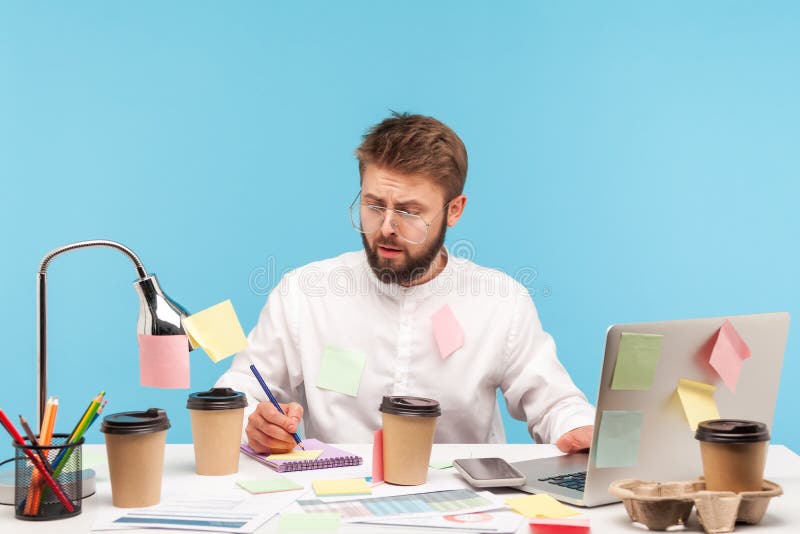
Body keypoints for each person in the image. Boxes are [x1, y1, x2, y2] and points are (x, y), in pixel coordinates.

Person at [215, 112, 595, 454]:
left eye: (410, 212)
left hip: (463, 510)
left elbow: (556, 403)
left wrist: (579, 429)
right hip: (335, 502)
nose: (386, 228)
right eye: (374, 205)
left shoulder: (501, 303)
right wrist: (255, 421)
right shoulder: (303, 294)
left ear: (455, 210)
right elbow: (239, 391)